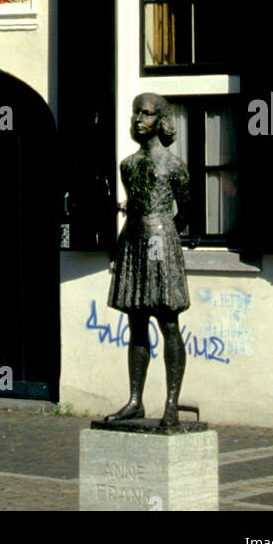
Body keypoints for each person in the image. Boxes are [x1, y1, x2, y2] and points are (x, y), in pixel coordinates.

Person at [106, 93, 190, 427]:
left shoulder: (174, 166)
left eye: (147, 114)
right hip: (133, 239)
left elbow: (186, 212)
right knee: (135, 323)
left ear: (162, 120)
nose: (139, 120)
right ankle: (135, 400)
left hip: (161, 240)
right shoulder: (127, 165)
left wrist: (166, 234)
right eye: (135, 114)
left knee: (168, 322)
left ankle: (171, 404)